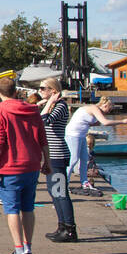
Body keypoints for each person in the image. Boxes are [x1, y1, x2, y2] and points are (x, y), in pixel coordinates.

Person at [0, 77, 50, 254]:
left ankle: (19, 251)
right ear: (16, 92)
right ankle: (28, 247)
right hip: (32, 164)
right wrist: (46, 161)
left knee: (12, 209)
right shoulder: (33, 110)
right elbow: (42, 138)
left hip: (11, 166)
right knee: (28, 208)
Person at [38, 79, 77, 243]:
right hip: (50, 155)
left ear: (53, 91)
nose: (39, 91)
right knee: (53, 192)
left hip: (58, 155)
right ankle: (61, 226)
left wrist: (49, 102)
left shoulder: (60, 106)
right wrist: (45, 102)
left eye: (42, 88)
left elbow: (43, 120)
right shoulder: (53, 105)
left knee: (60, 192)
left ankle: (69, 229)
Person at [66, 97, 127, 196]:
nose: (109, 112)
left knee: (84, 159)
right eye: (109, 109)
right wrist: (122, 122)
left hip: (81, 135)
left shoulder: (95, 111)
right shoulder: (94, 108)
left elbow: (91, 122)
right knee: (73, 159)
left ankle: (84, 182)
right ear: (104, 105)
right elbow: (105, 122)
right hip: (73, 135)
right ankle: (64, 184)